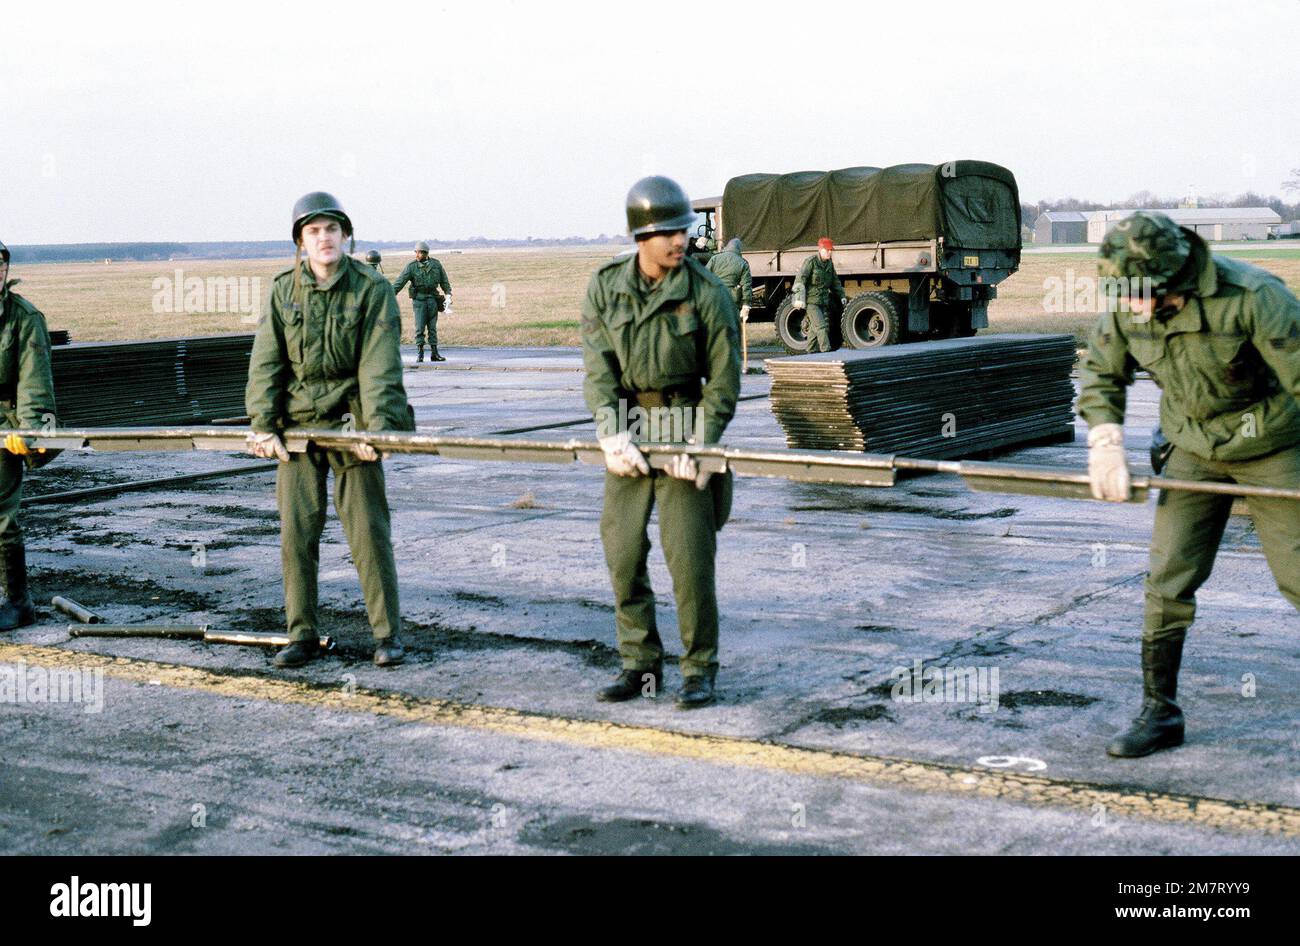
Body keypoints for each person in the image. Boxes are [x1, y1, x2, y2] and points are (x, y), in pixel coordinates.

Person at [1078, 211, 1300, 757]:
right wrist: (1104, 439)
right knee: (1168, 579)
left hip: (1272, 442)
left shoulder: (1254, 295)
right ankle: (1160, 712)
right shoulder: (1131, 297)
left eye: (1146, 296)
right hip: (1192, 448)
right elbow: (1101, 371)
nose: (1135, 309)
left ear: (1175, 281)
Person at [581, 176, 741, 709]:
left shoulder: (707, 292)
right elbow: (599, 369)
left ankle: (699, 668)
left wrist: (701, 444)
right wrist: (609, 432)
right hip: (630, 430)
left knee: (690, 561)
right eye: (667, 232)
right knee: (623, 554)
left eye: (684, 230)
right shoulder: (606, 288)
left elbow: (725, 379)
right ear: (640, 238)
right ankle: (639, 664)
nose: (680, 240)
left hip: (685, 427)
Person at [245, 192, 415, 669]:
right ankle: (300, 634)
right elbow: (267, 361)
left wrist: (376, 432)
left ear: (346, 236)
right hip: (298, 429)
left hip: (352, 424)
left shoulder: (371, 289)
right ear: (301, 241)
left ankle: (387, 635)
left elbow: (379, 366)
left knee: (368, 532)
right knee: (297, 534)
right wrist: (263, 424)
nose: (324, 238)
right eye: (314, 231)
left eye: (332, 230)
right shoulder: (283, 290)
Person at [0, 240, 58, 631]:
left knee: (0, 517)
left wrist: (29, 431)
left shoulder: (23, 317)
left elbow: (34, 381)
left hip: (4, 426)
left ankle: (17, 602)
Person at [392, 241, 451, 362]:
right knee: (419, 327)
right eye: (416, 252)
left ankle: (434, 353)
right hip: (419, 300)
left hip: (433, 299)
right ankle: (420, 353)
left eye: (419, 252)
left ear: (425, 253)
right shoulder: (411, 267)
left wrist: (448, 294)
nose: (417, 255)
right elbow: (400, 282)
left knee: (432, 328)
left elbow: (444, 281)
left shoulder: (436, 264)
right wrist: (389, 294)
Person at [791, 237, 848, 353]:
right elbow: (800, 280)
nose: (830, 252)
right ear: (821, 250)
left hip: (822, 302)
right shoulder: (811, 262)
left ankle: (811, 352)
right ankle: (826, 352)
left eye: (831, 250)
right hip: (811, 302)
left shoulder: (829, 264)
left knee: (814, 328)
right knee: (822, 327)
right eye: (828, 250)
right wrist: (798, 299)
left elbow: (835, 282)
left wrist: (842, 295)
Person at [706, 237, 753, 325]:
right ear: (739, 249)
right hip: (732, 299)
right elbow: (746, 285)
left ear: (727, 247)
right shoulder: (743, 263)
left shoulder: (714, 258)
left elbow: (704, 277)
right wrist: (746, 305)